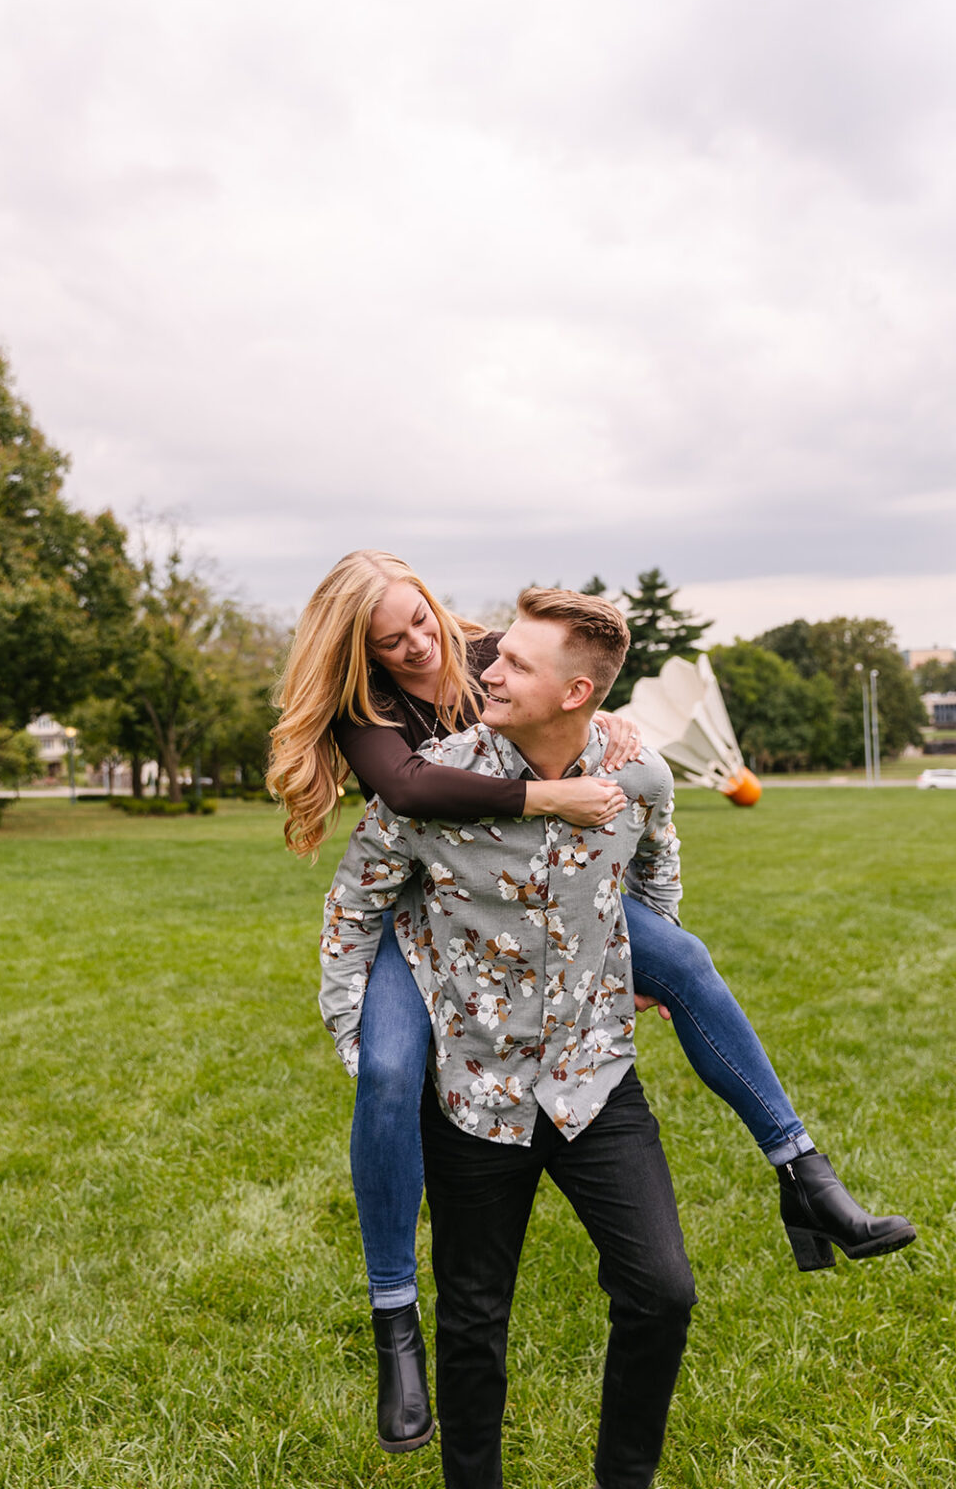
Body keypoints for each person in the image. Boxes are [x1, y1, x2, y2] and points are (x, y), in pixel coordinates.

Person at [268, 550, 915, 1453]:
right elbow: (406, 796)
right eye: (392, 641)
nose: (423, 647)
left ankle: (804, 1172)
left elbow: (588, 689)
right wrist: (549, 794)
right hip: (429, 907)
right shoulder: (367, 712)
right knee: (385, 1068)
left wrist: (634, 935)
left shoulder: (493, 651)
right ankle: (394, 1320)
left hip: (555, 908)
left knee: (683, 961)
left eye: (425, 621)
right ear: (359, 654)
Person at [320, 588, 696, 1488]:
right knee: (475, 1319)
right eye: (497, 655)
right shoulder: (432, 782)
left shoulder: (637, 775)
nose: (486, 668)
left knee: (663, 1291)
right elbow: (353, 906)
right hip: (473, 1095)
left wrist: (654, 960)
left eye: (516, 663)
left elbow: (658, 862)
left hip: (594, 1082)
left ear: (577, 692)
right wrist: (358, 1040)